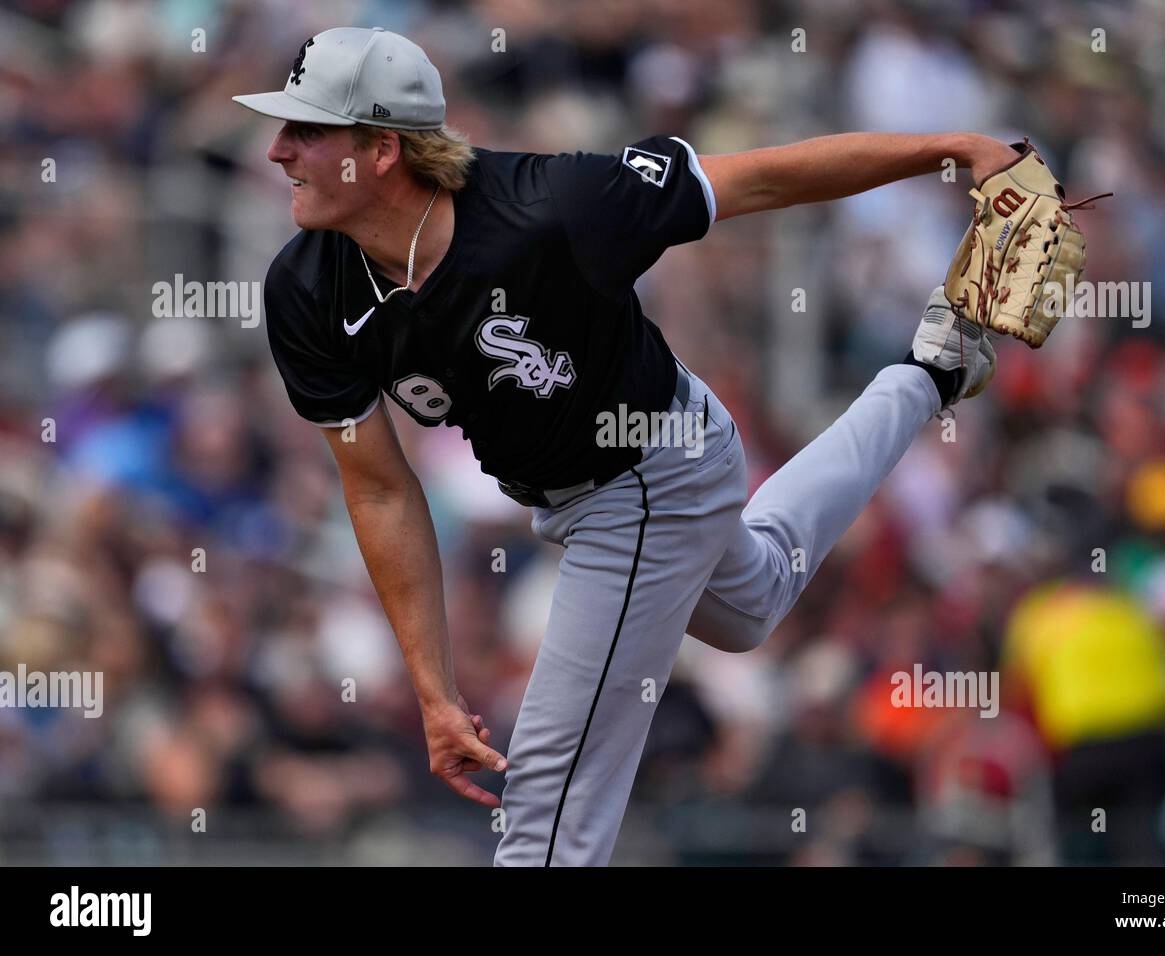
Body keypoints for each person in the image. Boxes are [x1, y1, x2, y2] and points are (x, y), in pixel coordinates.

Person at [233, 26, 1010, 866]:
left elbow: (764, 178)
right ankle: (935, 369)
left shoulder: (555, 205)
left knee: (546, 824)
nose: (278, 149)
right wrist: (435, 691)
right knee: (752, 607)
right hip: (589, 488)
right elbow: (381, 490)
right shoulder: (306, 291)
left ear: (383, 147)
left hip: (647, 476)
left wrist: (949, 147)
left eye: (307, 129)